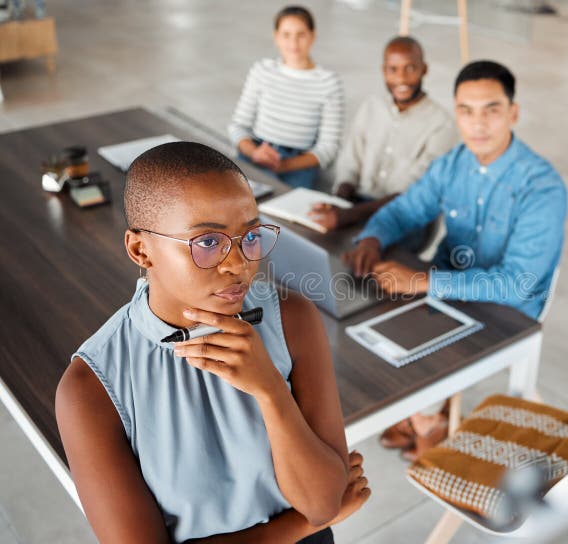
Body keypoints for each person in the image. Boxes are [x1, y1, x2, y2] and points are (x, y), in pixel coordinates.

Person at [55, 142, 369, 543]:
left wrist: (270, 389)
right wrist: (299, 526)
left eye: (250, 235)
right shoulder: (91, 389)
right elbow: (323, 513)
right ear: (140, 249)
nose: (239, 264)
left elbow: (322, 502)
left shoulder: (291, 318)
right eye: (207, 241)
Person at [344, 60, 568, 460]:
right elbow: (407, 209)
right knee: (367, 321)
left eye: (491, 110)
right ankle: (425, 411)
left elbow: (517, 283)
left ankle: (427, 418)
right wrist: (372, 236)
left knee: (404, 327)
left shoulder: (542, 188)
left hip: (507, 311)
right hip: (444, 288)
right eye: (465, 110)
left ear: (513, 113)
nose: (477, 123)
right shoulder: (452, 165)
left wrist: (425, 282)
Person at [309, 36, 457, 232]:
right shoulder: (371, 106)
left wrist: (348, 215)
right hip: (357, 204)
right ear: (383, 71)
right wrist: (339, 202)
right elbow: (350, 162)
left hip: (407, 216)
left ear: (424, 69)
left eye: (410, 68)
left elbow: (412, 193)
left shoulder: (442, 123)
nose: (401, 78)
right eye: (393, 70)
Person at [229, 5, 344, 189]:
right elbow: (237, 126)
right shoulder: (261, 71)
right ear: (276, 37)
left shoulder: (329, 83)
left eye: (301, 34)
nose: (293, 43)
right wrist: (255, 153)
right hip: (255, 153)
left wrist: (285, 165)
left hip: (298, 165)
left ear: (313, 36)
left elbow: (328, 148)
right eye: (286, 34)